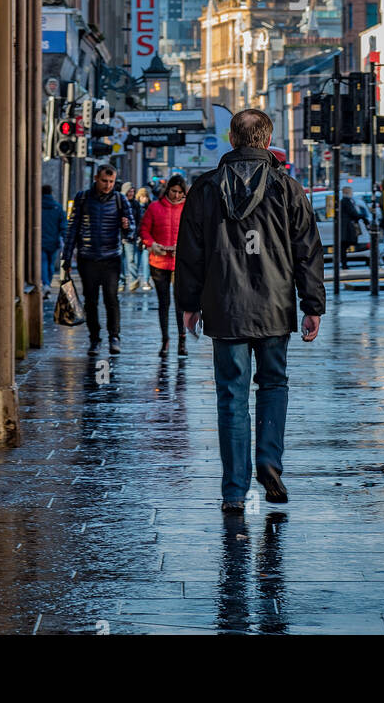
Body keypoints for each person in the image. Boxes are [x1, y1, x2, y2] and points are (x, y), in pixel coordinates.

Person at [175, 108, 326, 515]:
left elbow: (189, 253)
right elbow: (307, 251)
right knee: (274, 385)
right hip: (275, 306)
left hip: (225, 308)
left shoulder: (205, 189)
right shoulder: (287, 187)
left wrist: (188, 305)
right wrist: (312, 305)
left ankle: (234, 491)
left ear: (231, 139)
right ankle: (269, 463)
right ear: (267, 139)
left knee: (231, 396)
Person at [61, 164, 134, 355]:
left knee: (111, 298)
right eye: (104, 181)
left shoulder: (120, 199)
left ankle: (114, 336)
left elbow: (131, 230)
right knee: (90, 301)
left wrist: (127, 226)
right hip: (88, 257)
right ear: (96, 178)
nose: (108, 185)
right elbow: (73, 228)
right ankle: (94, 338)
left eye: (111, 181)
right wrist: (66, 258)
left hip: (111, 258)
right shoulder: (83, 198)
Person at [140, 174, 188, 358]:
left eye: (180, 192)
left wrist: (183, 247)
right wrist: (151, 244)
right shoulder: (154, 207)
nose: (176, 196)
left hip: (180, 264)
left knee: (180, 305)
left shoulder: (188, 209)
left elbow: (196, 233)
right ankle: (165, 340)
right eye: (174, 191)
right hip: (158, 262)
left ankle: (182, 340)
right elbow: (144, 229)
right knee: (164, 303)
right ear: (167, 190)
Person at [40, 184, 67, 298]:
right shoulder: (58, 207)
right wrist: (65, 239)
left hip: (40, 241)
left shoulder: (37, 207)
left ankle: (45, 284)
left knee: (43, 263)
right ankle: (48, 284)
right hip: (53, 241)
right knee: (51, 264)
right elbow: (63, 225)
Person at [119, 182, 141, 291]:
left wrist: (137, 233)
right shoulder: (119, 202)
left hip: (131, 236)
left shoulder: (135, 204)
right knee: (120, 261)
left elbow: (139, 220)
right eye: (129, 191)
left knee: (131, 260)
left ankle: (133, 281)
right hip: (119, 236)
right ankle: (121, 282)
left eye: (133, 191)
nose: (131, 193)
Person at [133, 185, 153, 291]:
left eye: (146, 197)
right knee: (135, 261)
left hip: (146, 238)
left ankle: (146, 281)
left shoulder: (150, 207)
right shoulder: (134, 207)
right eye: (143, 196)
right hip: (136, 237)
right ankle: (134, 280)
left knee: (146, 261)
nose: (145, 199)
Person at [338, 185, 363, 268]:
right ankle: (344, 264)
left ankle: (344, 263)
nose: (352, 193)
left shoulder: (345, 201)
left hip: (345, 227)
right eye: (351, 192)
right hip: (346, 228)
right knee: (344, 246)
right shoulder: (346, 201)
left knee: (344, 246)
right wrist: (361, 216)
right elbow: (353, 213)